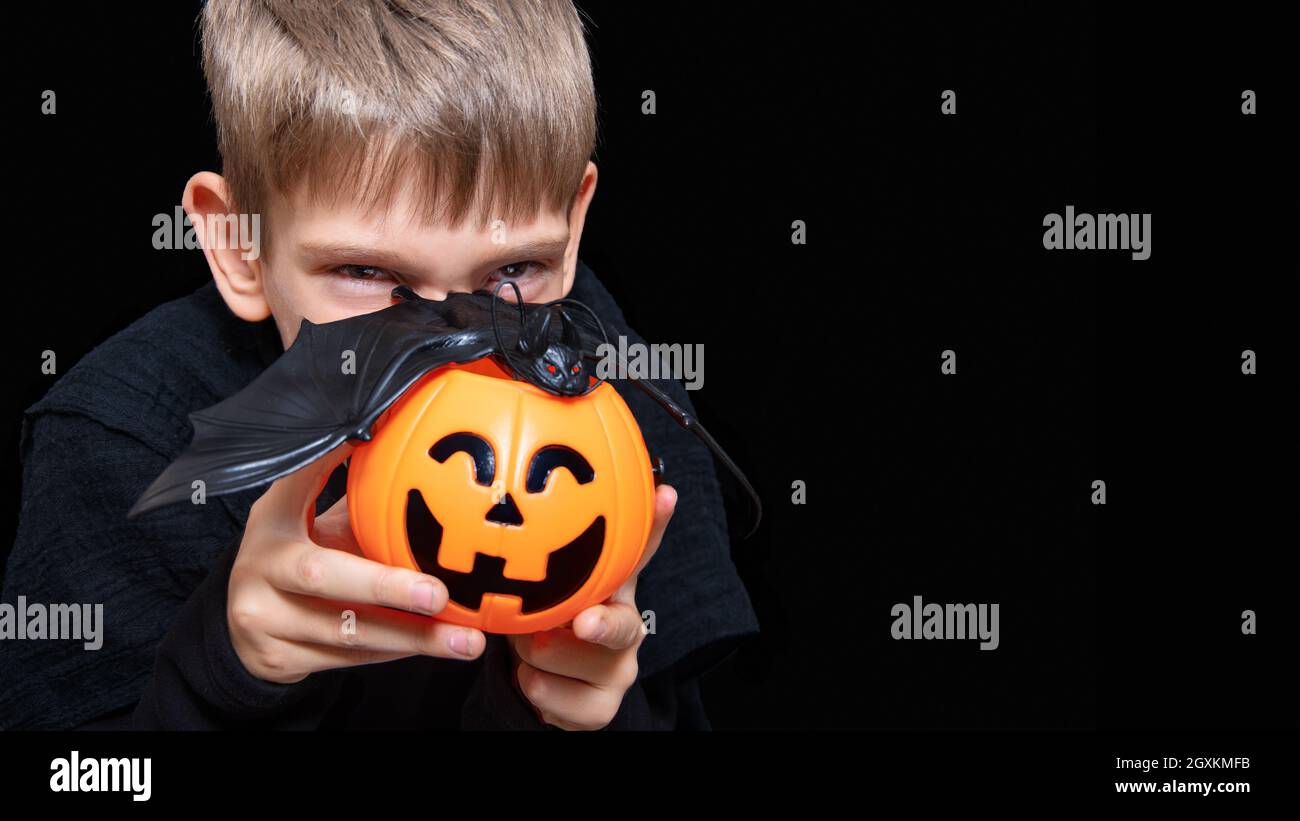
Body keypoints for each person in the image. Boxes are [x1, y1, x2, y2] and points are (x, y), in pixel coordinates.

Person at [0, 0, 757, 730]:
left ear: (571, 228)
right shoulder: (119, 441)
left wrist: (574, 706)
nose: (449, 341)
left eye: (510, 272)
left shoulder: (615, 396)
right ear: (238, 245)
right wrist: (224, 672)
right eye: (368, 273)